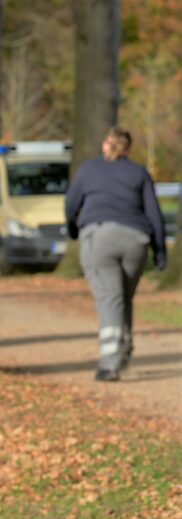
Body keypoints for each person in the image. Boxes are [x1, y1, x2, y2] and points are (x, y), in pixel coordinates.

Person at [64, 126, 169, 382]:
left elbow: (71, 203)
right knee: (123, 297)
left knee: (110, 299)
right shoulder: (138, 173)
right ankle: (124, 348)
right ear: (128, 149)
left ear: (105, 145)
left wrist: (73, 230)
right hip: (136, 240)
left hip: (99, 238)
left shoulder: (89, 170)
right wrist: (159, 250)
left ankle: (110, 363)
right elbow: (154, 213)